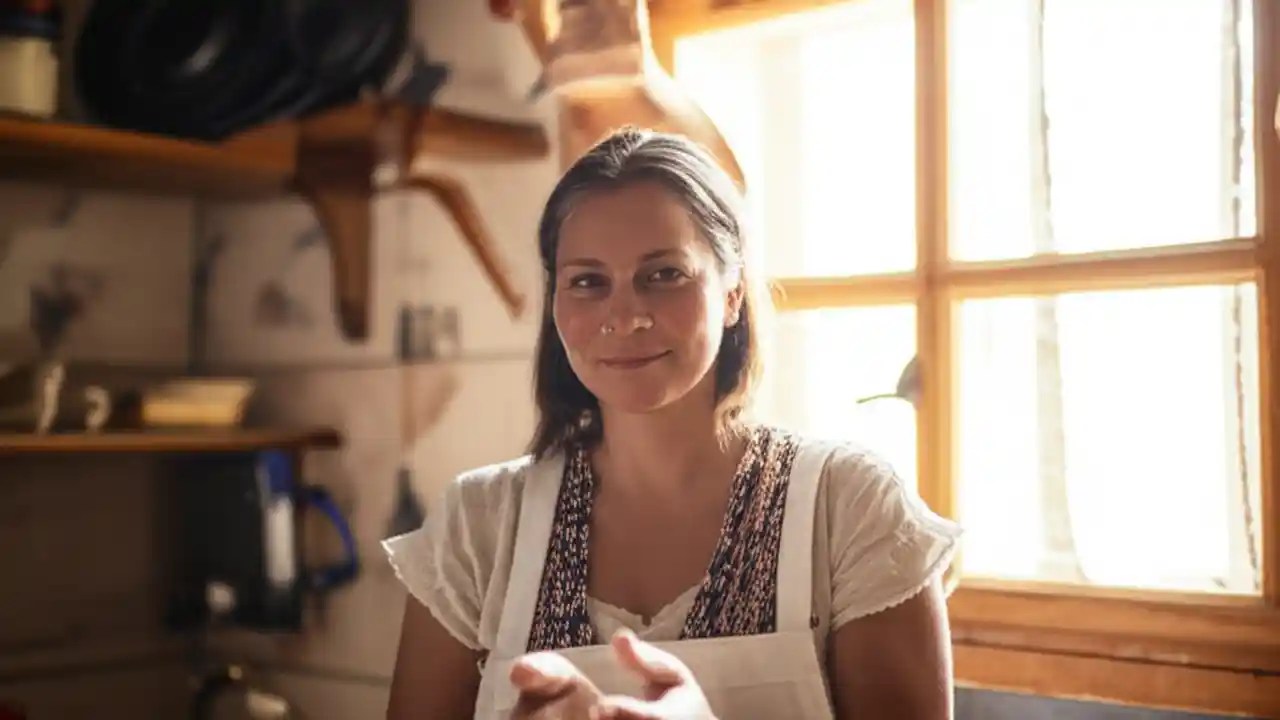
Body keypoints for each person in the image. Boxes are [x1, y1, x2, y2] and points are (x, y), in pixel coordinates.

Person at [383, 127, 962, 720]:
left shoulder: (849, 509)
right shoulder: (479, 527)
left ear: (732, 293)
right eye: (587, 282)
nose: (625, 316)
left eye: (663, 275)